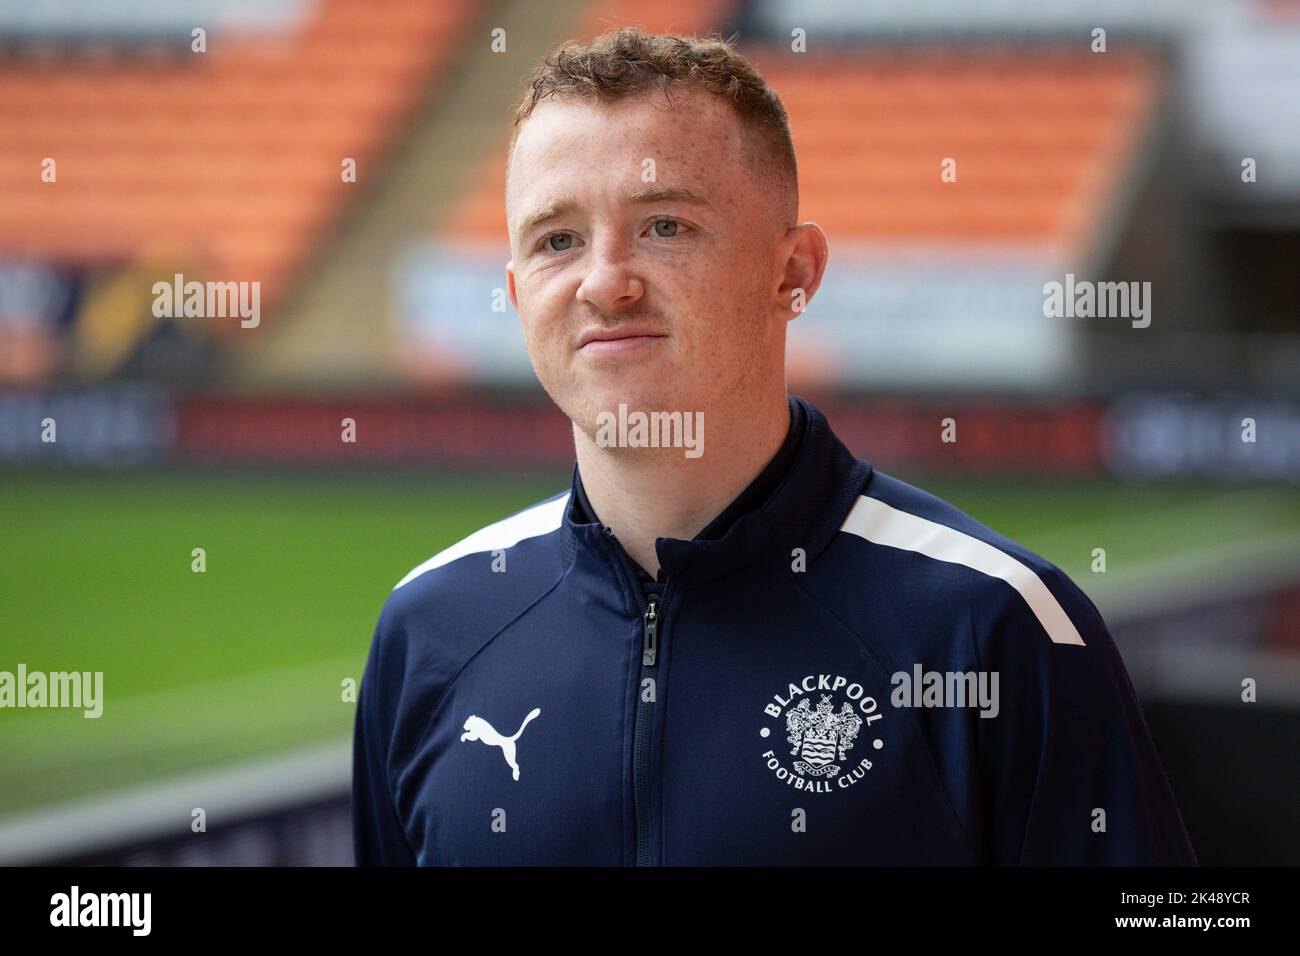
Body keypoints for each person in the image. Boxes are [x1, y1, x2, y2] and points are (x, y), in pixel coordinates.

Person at [352, 27, 1197, 866]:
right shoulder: (429, 629)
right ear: (515, 292)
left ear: (792, 273)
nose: (605, 282)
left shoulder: (994, 627)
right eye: (557, 241)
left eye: (665, 227)